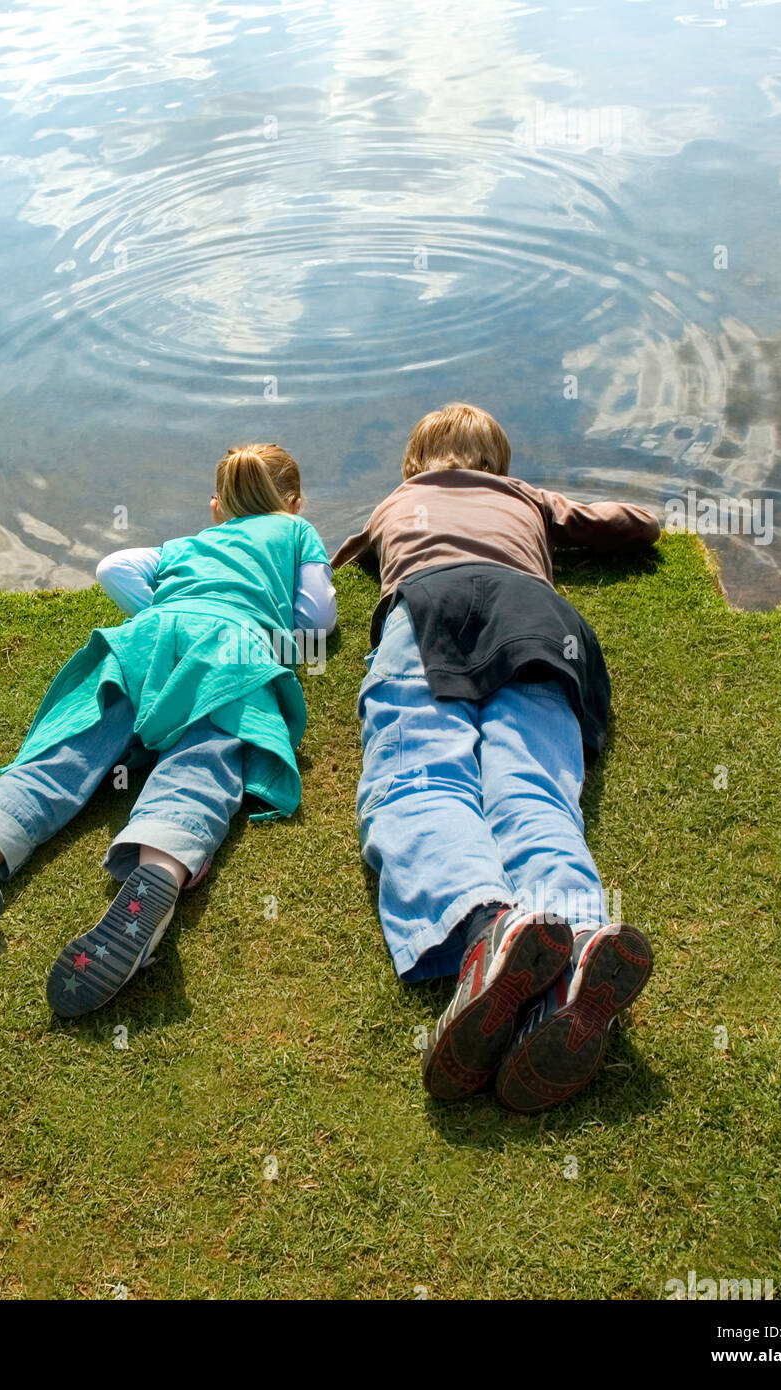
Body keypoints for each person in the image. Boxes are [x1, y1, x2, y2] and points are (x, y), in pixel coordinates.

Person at [0, 444, 336, 1019]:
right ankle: (158, 869)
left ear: (217, 506)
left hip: (146, 640)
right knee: (203, 756)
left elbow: (113, 567)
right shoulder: (297, 534)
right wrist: (270, 629)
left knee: (74, 746)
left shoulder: (189, 544)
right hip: (230, 650)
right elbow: (318, 620)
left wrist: (163, 611)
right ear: (294, 503)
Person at [331, 403, 658, 1112]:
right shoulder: (525, 498)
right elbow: (627, 527)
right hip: (539, 621)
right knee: (532, 788)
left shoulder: (397, 501)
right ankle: (571, 949)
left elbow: (342, 555)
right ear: (500, 466)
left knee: (419, 775)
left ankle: (486, 926)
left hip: (428, 607)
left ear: (412, 464)